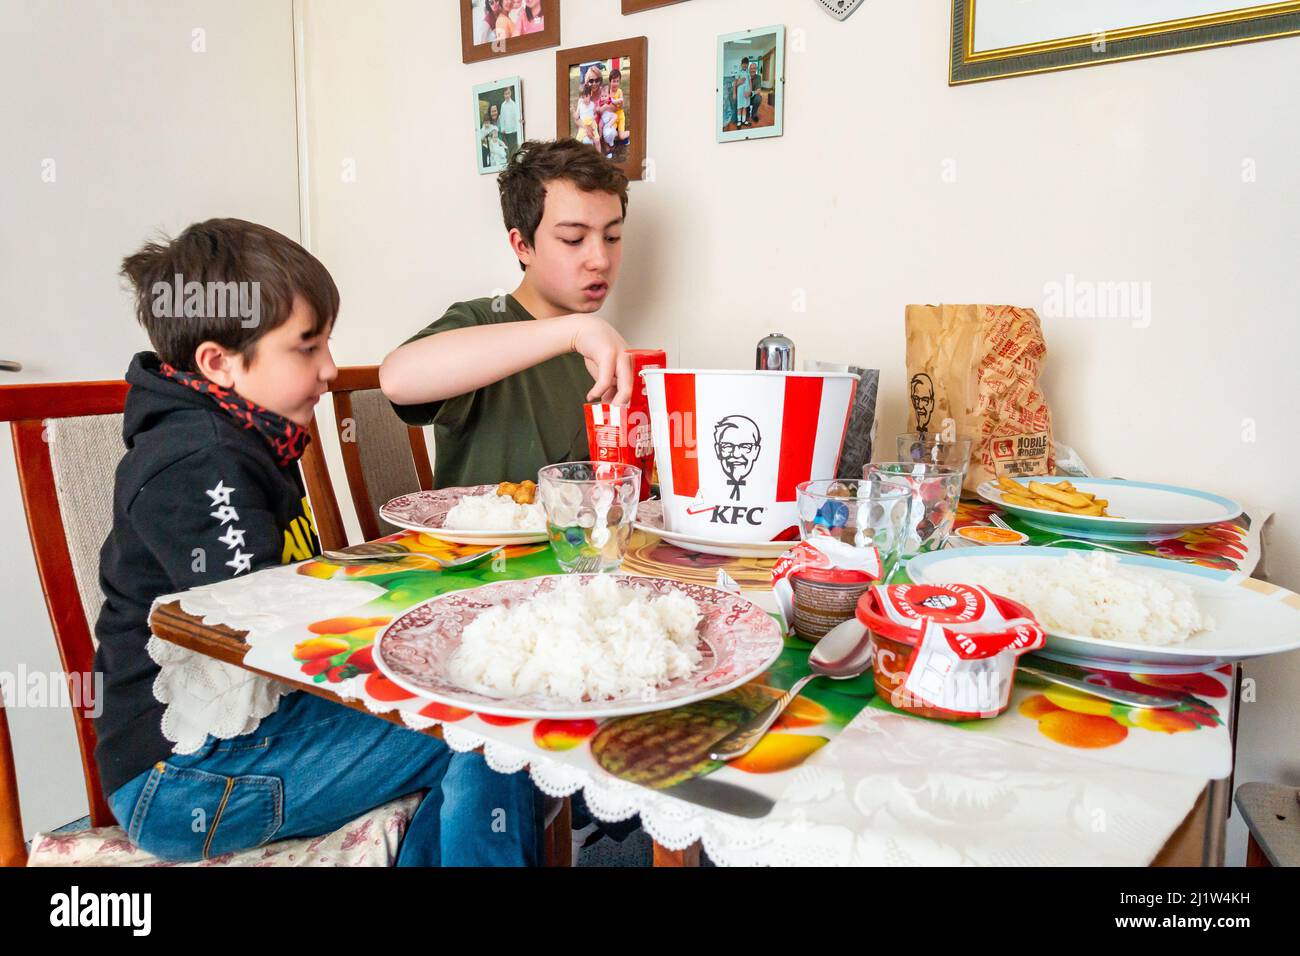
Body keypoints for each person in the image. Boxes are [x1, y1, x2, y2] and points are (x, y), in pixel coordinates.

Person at [96, 218, 543, 866]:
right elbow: (267, 624)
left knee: (467, 705)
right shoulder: (195, 459)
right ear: (217, 363)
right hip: (184, 777)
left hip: (251, 735)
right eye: (307, 347)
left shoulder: (242, 434)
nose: (331, 369)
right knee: (481, 727)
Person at [379, 138, 633, 489]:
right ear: (522, 245)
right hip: (480, 546)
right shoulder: (484, 322)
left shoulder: (601, 350)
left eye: (613, 237)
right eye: (574, 239)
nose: (600, 260)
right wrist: (573, 331)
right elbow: (397, 378)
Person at [497, 85, 522, 157]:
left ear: (510, 93)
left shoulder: (514, 104)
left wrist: (516, 127)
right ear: (503, 95)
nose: (507, 95)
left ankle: (516, 157)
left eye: (508, 93)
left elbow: (516, 116)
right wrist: (502, 128)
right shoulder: (503, 105)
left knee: (515, 145)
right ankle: (511, 158)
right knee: (509, 146)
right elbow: (502, 118)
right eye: (505, 94)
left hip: (514, 130)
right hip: (507, 131)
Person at [479, 101, 502, 169]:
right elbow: (482, 135)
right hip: (488, 144)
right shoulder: (485, 126)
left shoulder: (500, 119)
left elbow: (497, 131)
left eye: (495, 111)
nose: (494, 113)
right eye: (492, 111)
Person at [734, 57, 752, 128]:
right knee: (739, 107)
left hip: (746, 93)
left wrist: (750, 90)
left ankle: (744, 121)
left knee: (744, 107)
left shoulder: (748, 73)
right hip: (740, 93)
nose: (745, 65)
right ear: (741, 64)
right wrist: (734, 93)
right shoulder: (739, 72)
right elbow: (735, 82)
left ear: (747, 65)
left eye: (746, 64)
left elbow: (750, 82)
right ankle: (739, 121)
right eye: (743, 64)